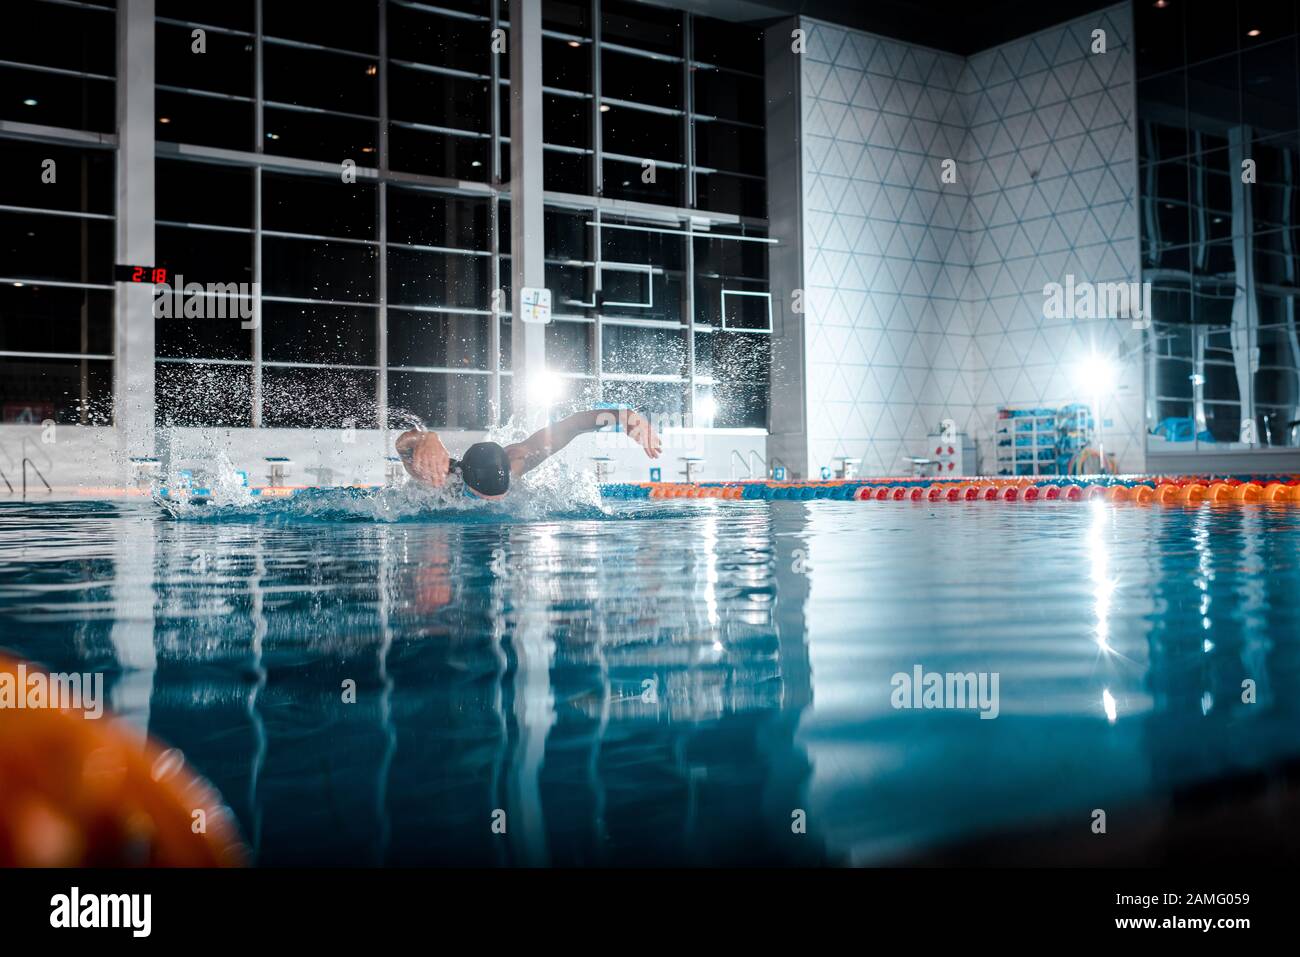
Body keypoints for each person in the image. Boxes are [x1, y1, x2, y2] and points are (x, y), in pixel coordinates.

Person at [395, 406, 662, 499]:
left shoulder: (517, 461)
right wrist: (427, 437)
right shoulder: (442, 475)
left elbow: (570, 427)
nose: (495, 503)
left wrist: (623, 417)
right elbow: (404, 446)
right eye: (483, 498)